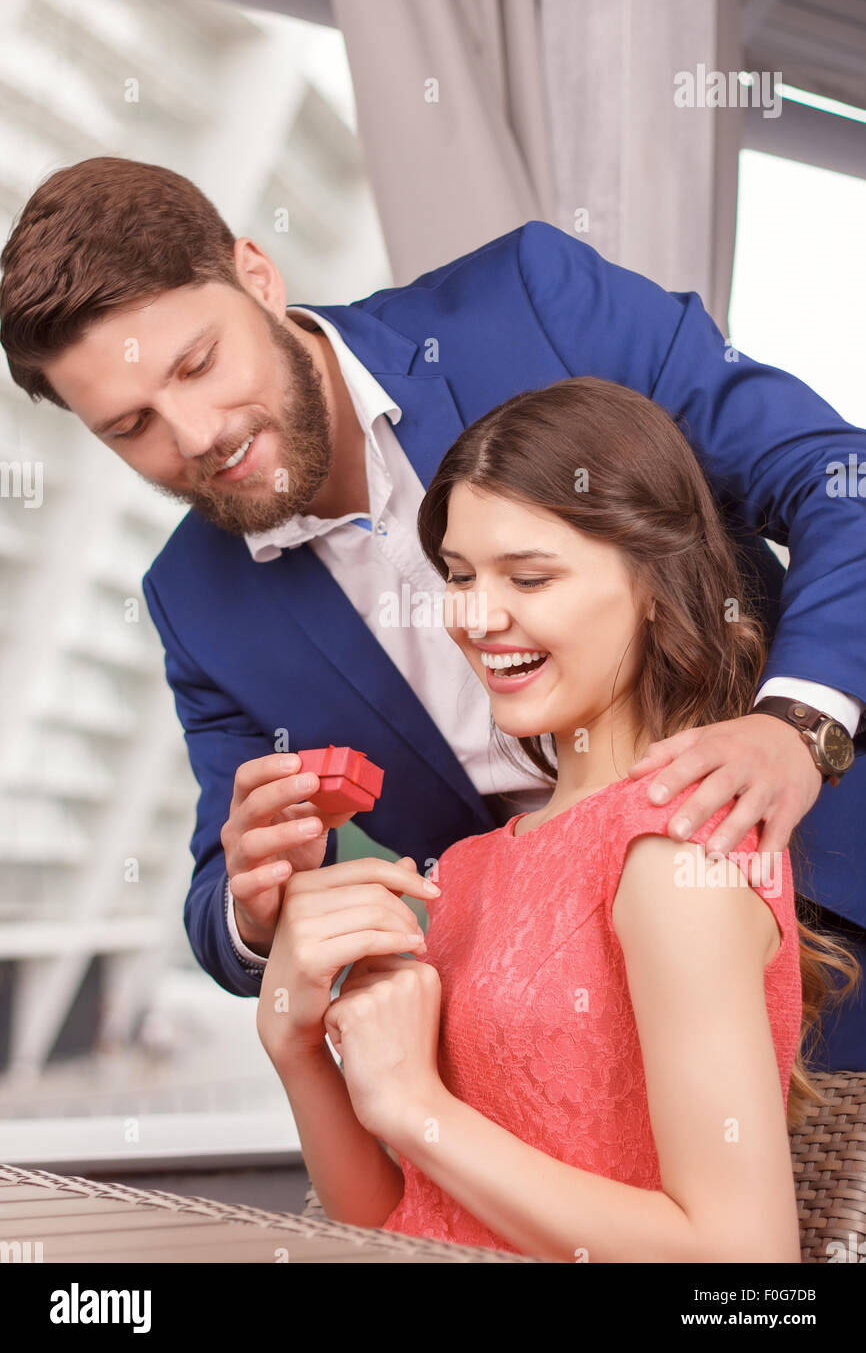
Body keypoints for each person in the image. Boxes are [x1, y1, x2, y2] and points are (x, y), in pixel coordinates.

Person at [0, 156, 863, 1064]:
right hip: (569, 1039)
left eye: (199, 364)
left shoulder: (532, 307)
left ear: (256, 274)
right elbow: (222, 907)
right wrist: (255, 904)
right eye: (130, 428)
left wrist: (797, 726)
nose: (196, 436)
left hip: (835, 911)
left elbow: (838, 479)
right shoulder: (196, 602)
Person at [255, 377, 860, 1261]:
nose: (476, 615)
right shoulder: (458, 872)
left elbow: (741, 1266)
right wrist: (297, 1046)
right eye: (458, 576)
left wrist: (415, 1109)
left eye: (529, 576)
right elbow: (396, 1228)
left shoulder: (675, 847)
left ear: (656, 584)